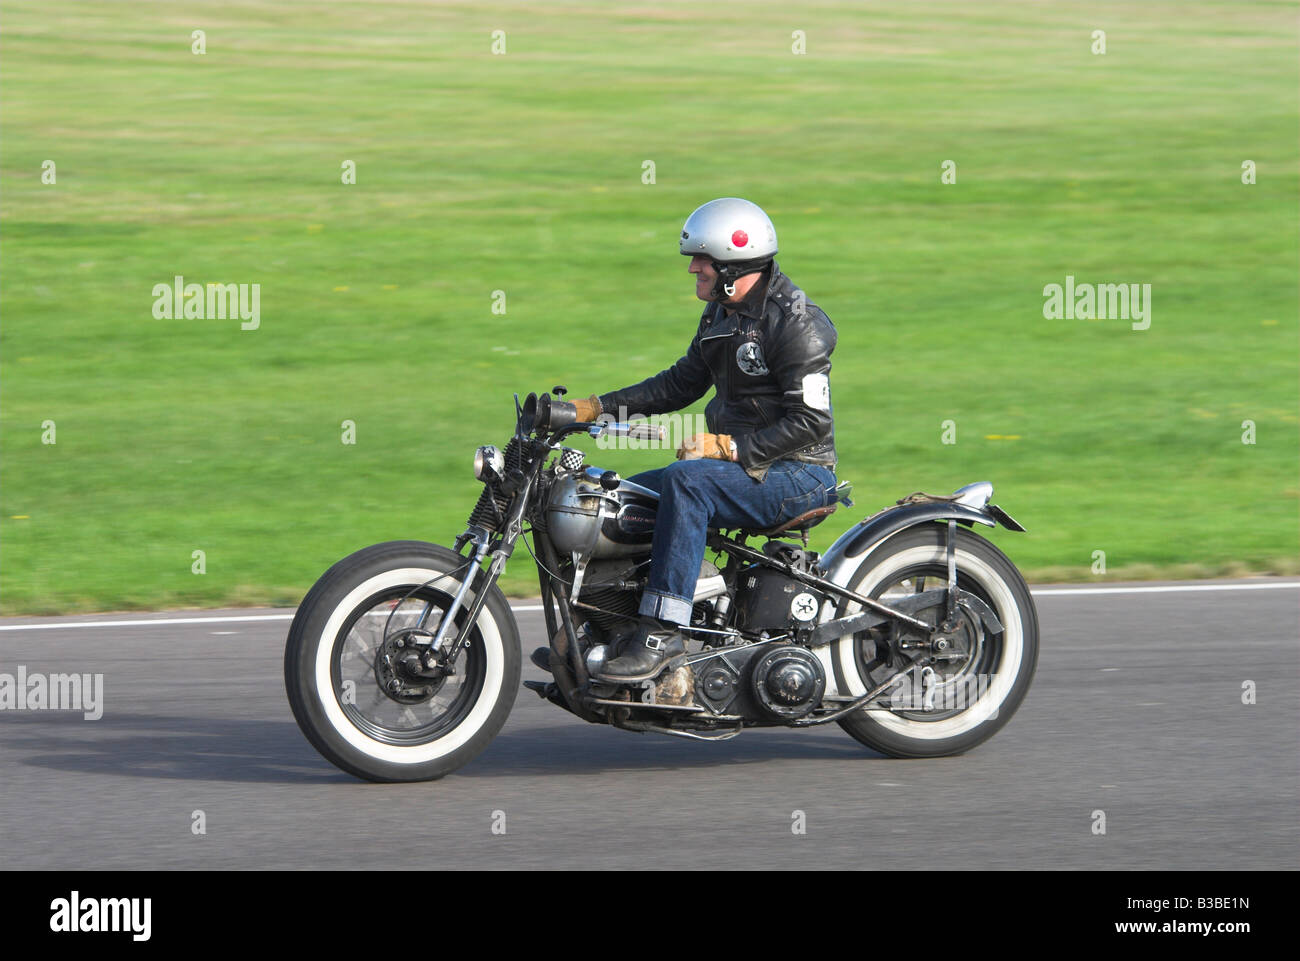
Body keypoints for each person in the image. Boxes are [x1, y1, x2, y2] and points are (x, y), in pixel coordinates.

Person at [567, 197, 837, 681]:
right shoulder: (722, 316)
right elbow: (678, 385)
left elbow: (811, 422)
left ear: (733, 263)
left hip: (798, 472)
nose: (693, 268)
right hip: (744, 469)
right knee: (618, 498)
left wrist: (728, 448)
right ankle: (610, 626)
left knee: (687, 482)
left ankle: (663, 634)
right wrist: (594, 408)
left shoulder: (795, 322)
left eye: (701, 260)